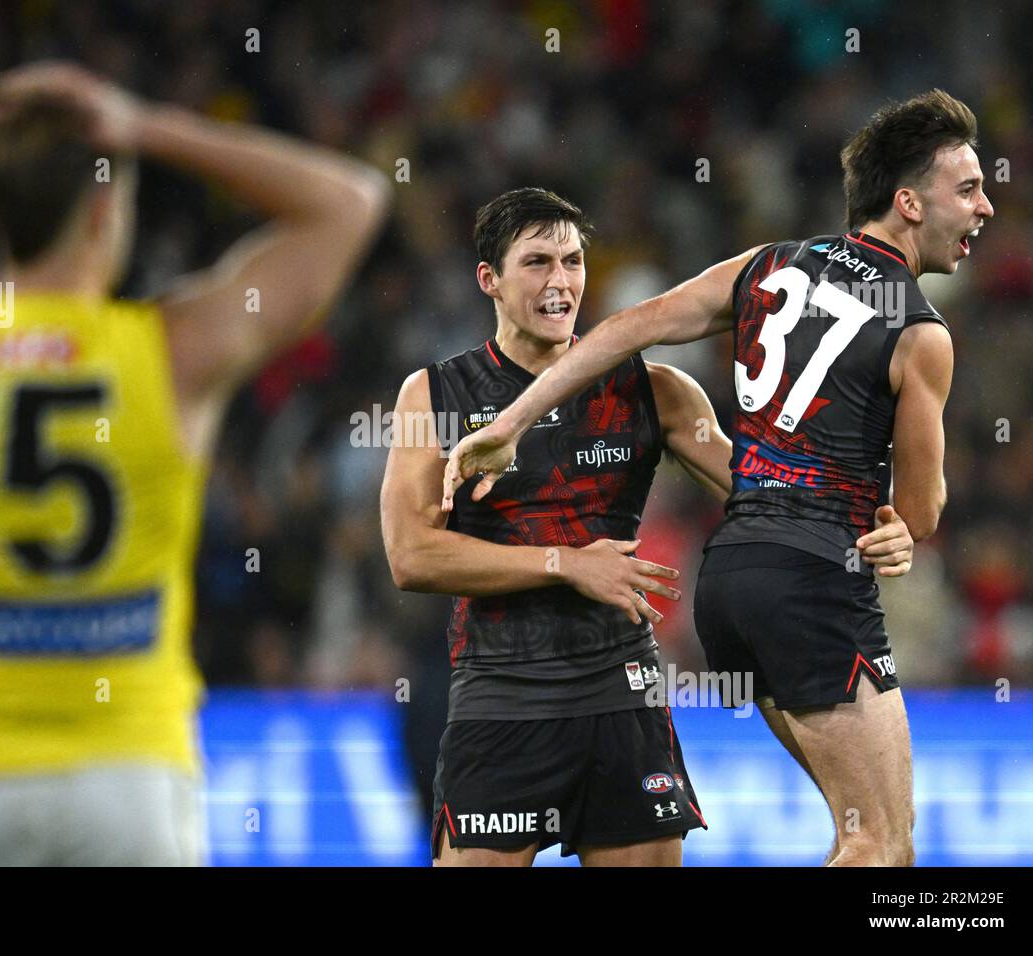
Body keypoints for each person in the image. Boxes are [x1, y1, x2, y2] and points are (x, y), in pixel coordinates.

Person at [0, 62, 389, 865]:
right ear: (101, 208)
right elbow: (348, 202)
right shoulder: (170, 352)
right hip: (128, 774)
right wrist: (146, 123)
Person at [440, 90, 991, 866]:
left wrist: (510, 421)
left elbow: (633, 326)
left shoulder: (769, 265)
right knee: (880, 846)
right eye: (967, 189)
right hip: (813, 578)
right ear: (907, 203)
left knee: (857, 830)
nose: (986, 206)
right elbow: (922, 510)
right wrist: (903, 523)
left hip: (729, 576)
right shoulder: (921, 331)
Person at [382, 187, 915, 866]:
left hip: (623, 696)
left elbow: (773, 493)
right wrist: (565, 563)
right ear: (489, 279)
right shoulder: (433, 395)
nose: (560, 282)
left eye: (572, 262)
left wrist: (877, 527)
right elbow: (411, 556)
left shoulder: (655, 391)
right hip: (501, 699)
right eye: (538, 262)